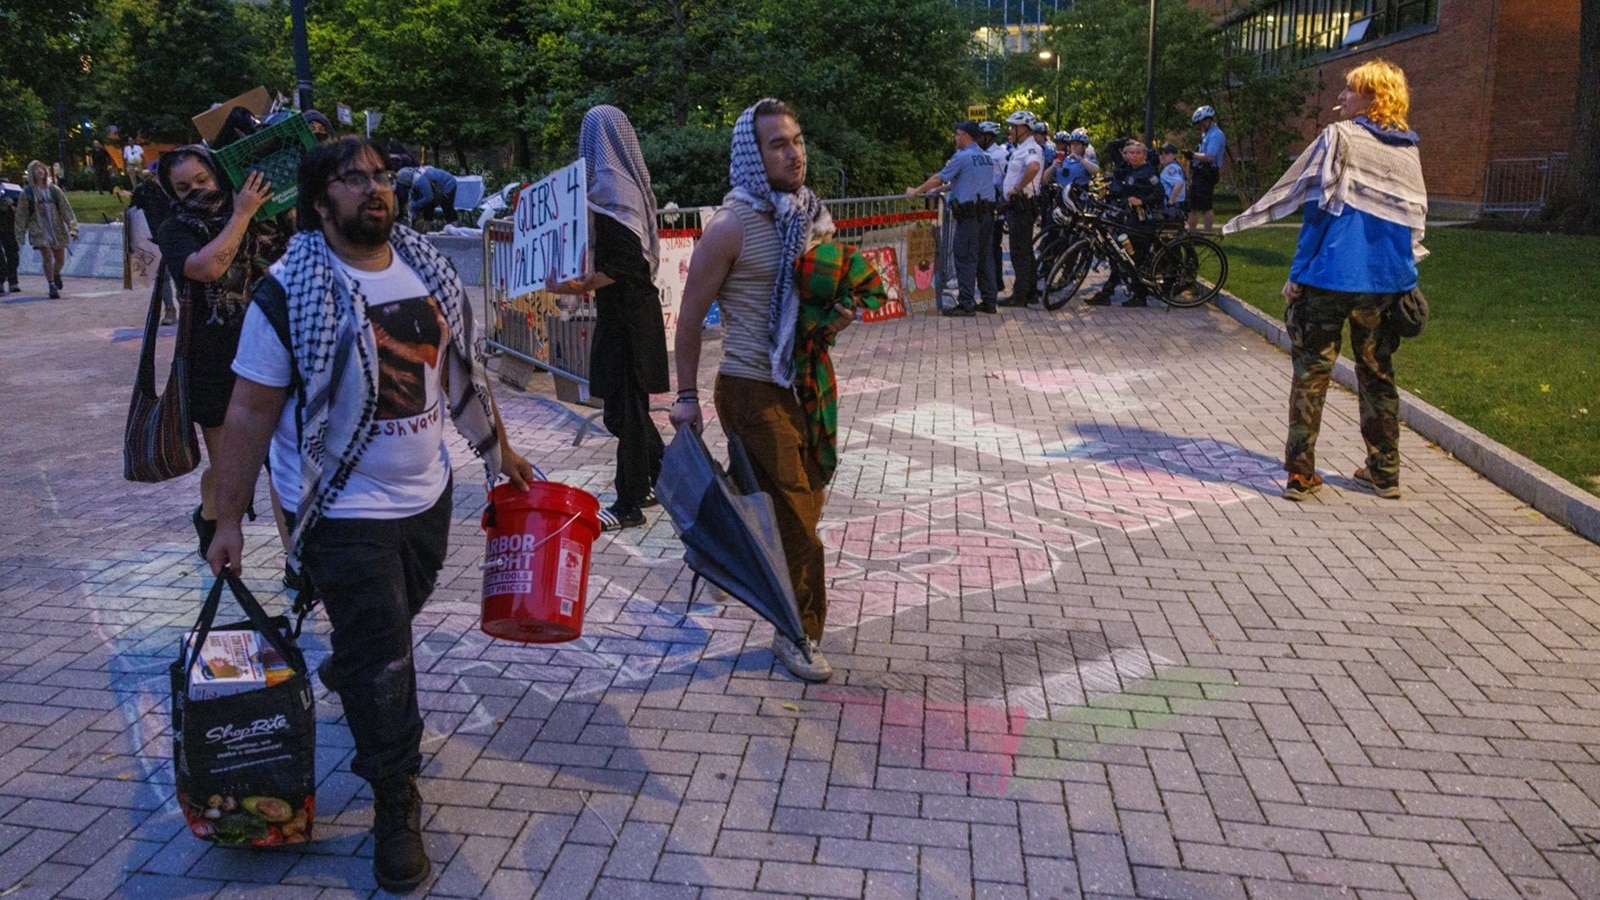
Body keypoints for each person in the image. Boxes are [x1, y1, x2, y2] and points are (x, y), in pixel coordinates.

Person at [205, 136, 535, 892]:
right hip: (339, 504)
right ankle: (395, 799)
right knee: (387, 655)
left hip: (426, 493)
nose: (373, 189)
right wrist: (229, 520)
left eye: (381, 176)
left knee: (385, 628)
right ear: (321, 202)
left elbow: (461, 374)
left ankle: (355, 667)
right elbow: (250, 411)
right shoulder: (287, 292)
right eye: (353, 180)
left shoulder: (429, 269)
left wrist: (498, 453)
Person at [670, 98, 847, 683]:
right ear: (754, 154)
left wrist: (838, 316)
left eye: (797, 140)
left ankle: (743, 564)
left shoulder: (812, 217)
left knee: (805, 500)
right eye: (778, 144)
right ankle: (799, 633)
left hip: (805, 385)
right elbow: (691, 316)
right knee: (797, 517)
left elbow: (813, 311)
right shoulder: (731, 226)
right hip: (750, 386)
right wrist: (686, 397)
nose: (793, 152)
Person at [1223, 60, 1426, 503]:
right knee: (1377, 375)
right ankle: (1384, 471)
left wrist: (1297, 274)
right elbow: (1411, 221)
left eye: (1350, 92)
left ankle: (1300, 474)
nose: (1342, 99)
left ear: (1374, 95)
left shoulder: (1338, 138)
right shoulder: (1408, 151)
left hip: (1330, 276)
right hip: (1383, 282)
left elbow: (1315, 212)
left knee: (1312, 371)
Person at [154, 146, 289, 557]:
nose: (195, 191)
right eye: (183, 187)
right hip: (215, 363)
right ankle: (212, 519)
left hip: (270, 352)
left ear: (217, 174)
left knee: (280, 467)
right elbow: (207, 268)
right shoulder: (176, 228)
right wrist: (241, 215)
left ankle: (296, 563)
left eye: (202, 180)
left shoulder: (265, 216)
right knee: (232, 469)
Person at [544, 105, 670, 530]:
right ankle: (666, 473)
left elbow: (625, 267)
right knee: (620, 411)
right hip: (623, 316)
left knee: (628, 411)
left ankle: (630, 501)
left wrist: (574, 287)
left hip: (629, 319)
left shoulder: (613, 193)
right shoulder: (616, 190)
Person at [907, 120, 998, 317]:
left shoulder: (962, 157)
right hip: (986, 215)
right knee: (984, 258)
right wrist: (939, 190)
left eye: (957, 134)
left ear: (966, 136)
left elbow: (938, 177)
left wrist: (917, 191)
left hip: (969, 217)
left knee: (965, 257)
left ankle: (966, 304)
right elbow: (966, 182)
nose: (955, 138)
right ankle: (989, 301)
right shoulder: (985, 157)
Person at [1086, 140, 1163, 308]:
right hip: (1127, 220)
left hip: (1142, 223)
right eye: (1130, 153)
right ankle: (1108, 293)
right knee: (1121, 257)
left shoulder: (1149, 173)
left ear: (1144, 155)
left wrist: (1141, 200)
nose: (1132, 156)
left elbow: (1159, 193)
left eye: (1137, 153)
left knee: (1131, 259)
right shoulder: (1130, 170)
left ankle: (1138, 296)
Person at [997, 111, 1043, 308]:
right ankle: (1030, 291)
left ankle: (1020, 295)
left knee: (1019, 252)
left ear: (1023, 129)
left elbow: (1032, 168)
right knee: (1025, 250)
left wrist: (1017, 188)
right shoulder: (1022, 148)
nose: (1010, 130)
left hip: (1023, 206)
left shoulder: (1031, 149)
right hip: (1018, 205)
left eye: (1013, 127)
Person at [15, 160, 77, 299]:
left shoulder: (54, 190)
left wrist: (73, 227)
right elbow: (21, 215)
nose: (40, 172)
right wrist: (20, 234)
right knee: (47, 256)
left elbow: (66, 209)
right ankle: (51, 285)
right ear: (32, 173)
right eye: (36, 170)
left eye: (42, 169)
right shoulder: (27, 193)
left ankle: (56, 273)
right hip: (39, 228)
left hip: (56, 228)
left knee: (60, 259)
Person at [128, 167, 178, 324]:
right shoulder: (143, 190)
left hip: (174, 236)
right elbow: (134, 211)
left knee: (179, 274)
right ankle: (170, 308)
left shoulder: (174, 188)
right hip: (152, 237)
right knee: (163, 275)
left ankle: (186, 306)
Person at [978, 122, 1008, 292]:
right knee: (988, 246)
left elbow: (1007, 177)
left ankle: (997, 281)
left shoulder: (1000, 154)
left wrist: (1004, 200)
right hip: (985, 204)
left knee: (993, 246)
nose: (978, 139)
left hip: (997, 204)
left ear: (989, 137)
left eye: (981, 136)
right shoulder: (981, 154)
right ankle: (994, 281)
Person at [1187, 105, 1225, 231]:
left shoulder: (1215, 135)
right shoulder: (1206, 134)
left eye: (1200, 123)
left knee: (1205, 207)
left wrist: (1193, 154)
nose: (1199, 126)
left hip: (1208, 173)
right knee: (1192, 206)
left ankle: (1207, 234)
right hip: (1199, 172)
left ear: (1206, 121)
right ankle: (1192, 234)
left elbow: (1210, 157)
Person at [394, 165, 458, 226]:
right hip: (437, 187)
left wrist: (413, 205)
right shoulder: (414, 179)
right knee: (428, 207)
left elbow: (428, 197)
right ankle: (427, 230)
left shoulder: (419, 181)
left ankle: (455, 230)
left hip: (448, 183)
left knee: (447, 206)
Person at [0, 175, 19, 293]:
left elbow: (20, 209)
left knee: (13, 253)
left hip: (9, 226)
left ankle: (13, 281)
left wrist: (12, 205)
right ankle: (0, 280)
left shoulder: (11, 190)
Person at [1158, 142, 1187, 217]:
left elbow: (1179, 183)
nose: (1163, 156)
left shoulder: (1170, 169)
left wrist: (1170, 203)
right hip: (1178, 204)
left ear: (1174, 155)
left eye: (1167, 153)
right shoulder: (1176, 167)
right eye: (1161, 153)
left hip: (1172, 206)